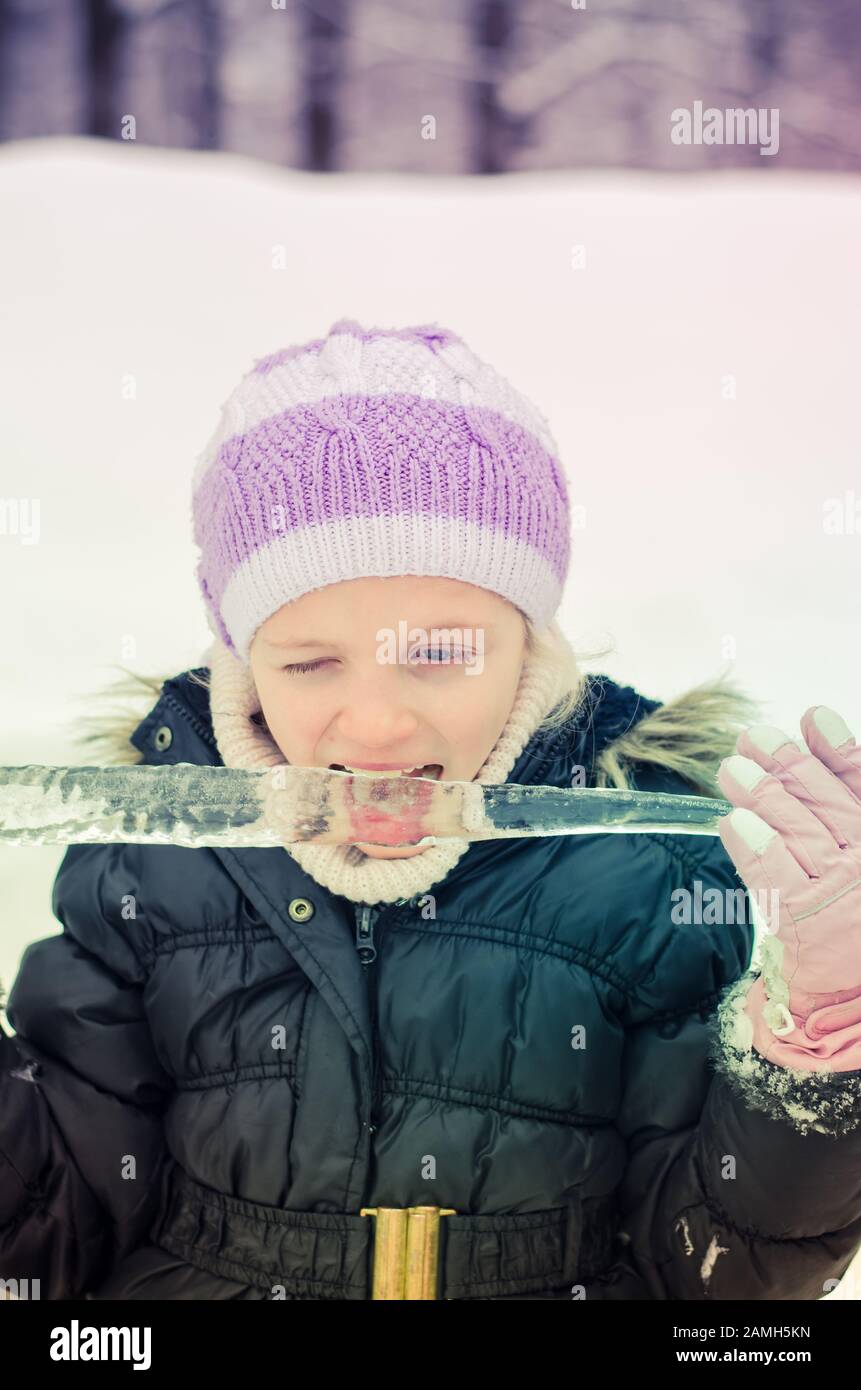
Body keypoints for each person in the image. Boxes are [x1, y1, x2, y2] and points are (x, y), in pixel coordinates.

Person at [1, 319, 860, 1301]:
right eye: (310, 662)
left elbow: (717, 1273)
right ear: (240, 661)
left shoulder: (645, 869)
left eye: (441, 651)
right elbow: (52, 1237)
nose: (373, 722)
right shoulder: (151, 859)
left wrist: (819, 1040)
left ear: (529, 643)